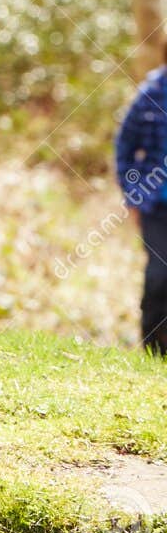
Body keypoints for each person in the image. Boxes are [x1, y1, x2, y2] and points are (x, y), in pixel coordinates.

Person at [113, 54, 167, 356]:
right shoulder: (152, 93)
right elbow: (125, 145)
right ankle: (151, 345)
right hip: (156, 205)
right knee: (159, 274)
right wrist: (133, 191)